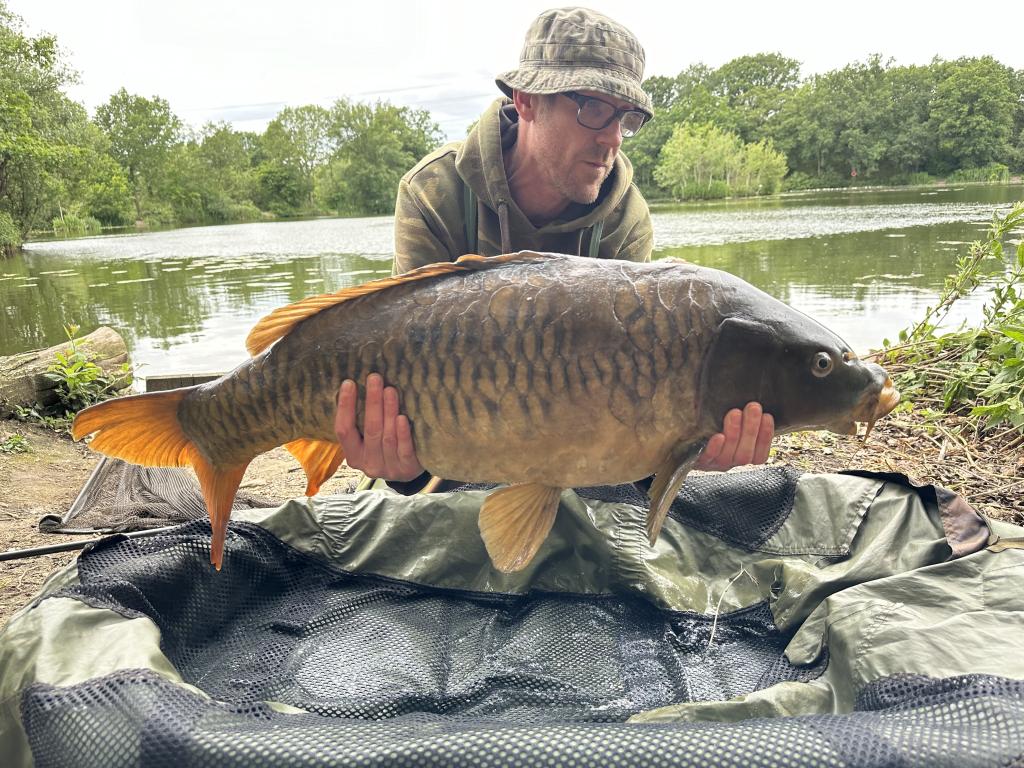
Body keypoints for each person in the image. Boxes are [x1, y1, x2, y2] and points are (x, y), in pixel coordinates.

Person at [334, 7, 774, 489]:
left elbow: (636, 397)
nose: (611, 137)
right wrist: (403, 474)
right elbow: (399, 356)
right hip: (445, 446)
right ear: (526, 100)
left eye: (626, 117)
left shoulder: (624, 218)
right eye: (592, 108)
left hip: (576, 454)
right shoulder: (433, 193)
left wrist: (684, 444)